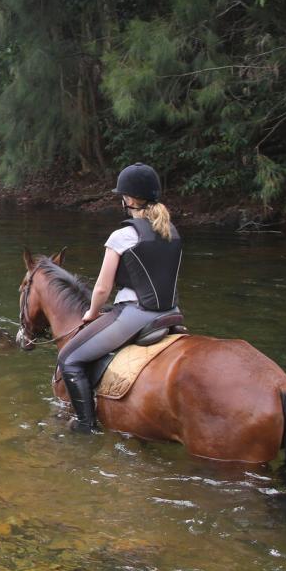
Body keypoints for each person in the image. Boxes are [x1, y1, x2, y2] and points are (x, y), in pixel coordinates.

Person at [56, 162, 182, 433]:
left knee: (70, 359)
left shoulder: (123, 235)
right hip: (171, 312)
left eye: (122, 196)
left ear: (130, 199)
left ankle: (84, 424)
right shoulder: (172, 232)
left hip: (138, 314)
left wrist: (91, 313)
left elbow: (102, 289)